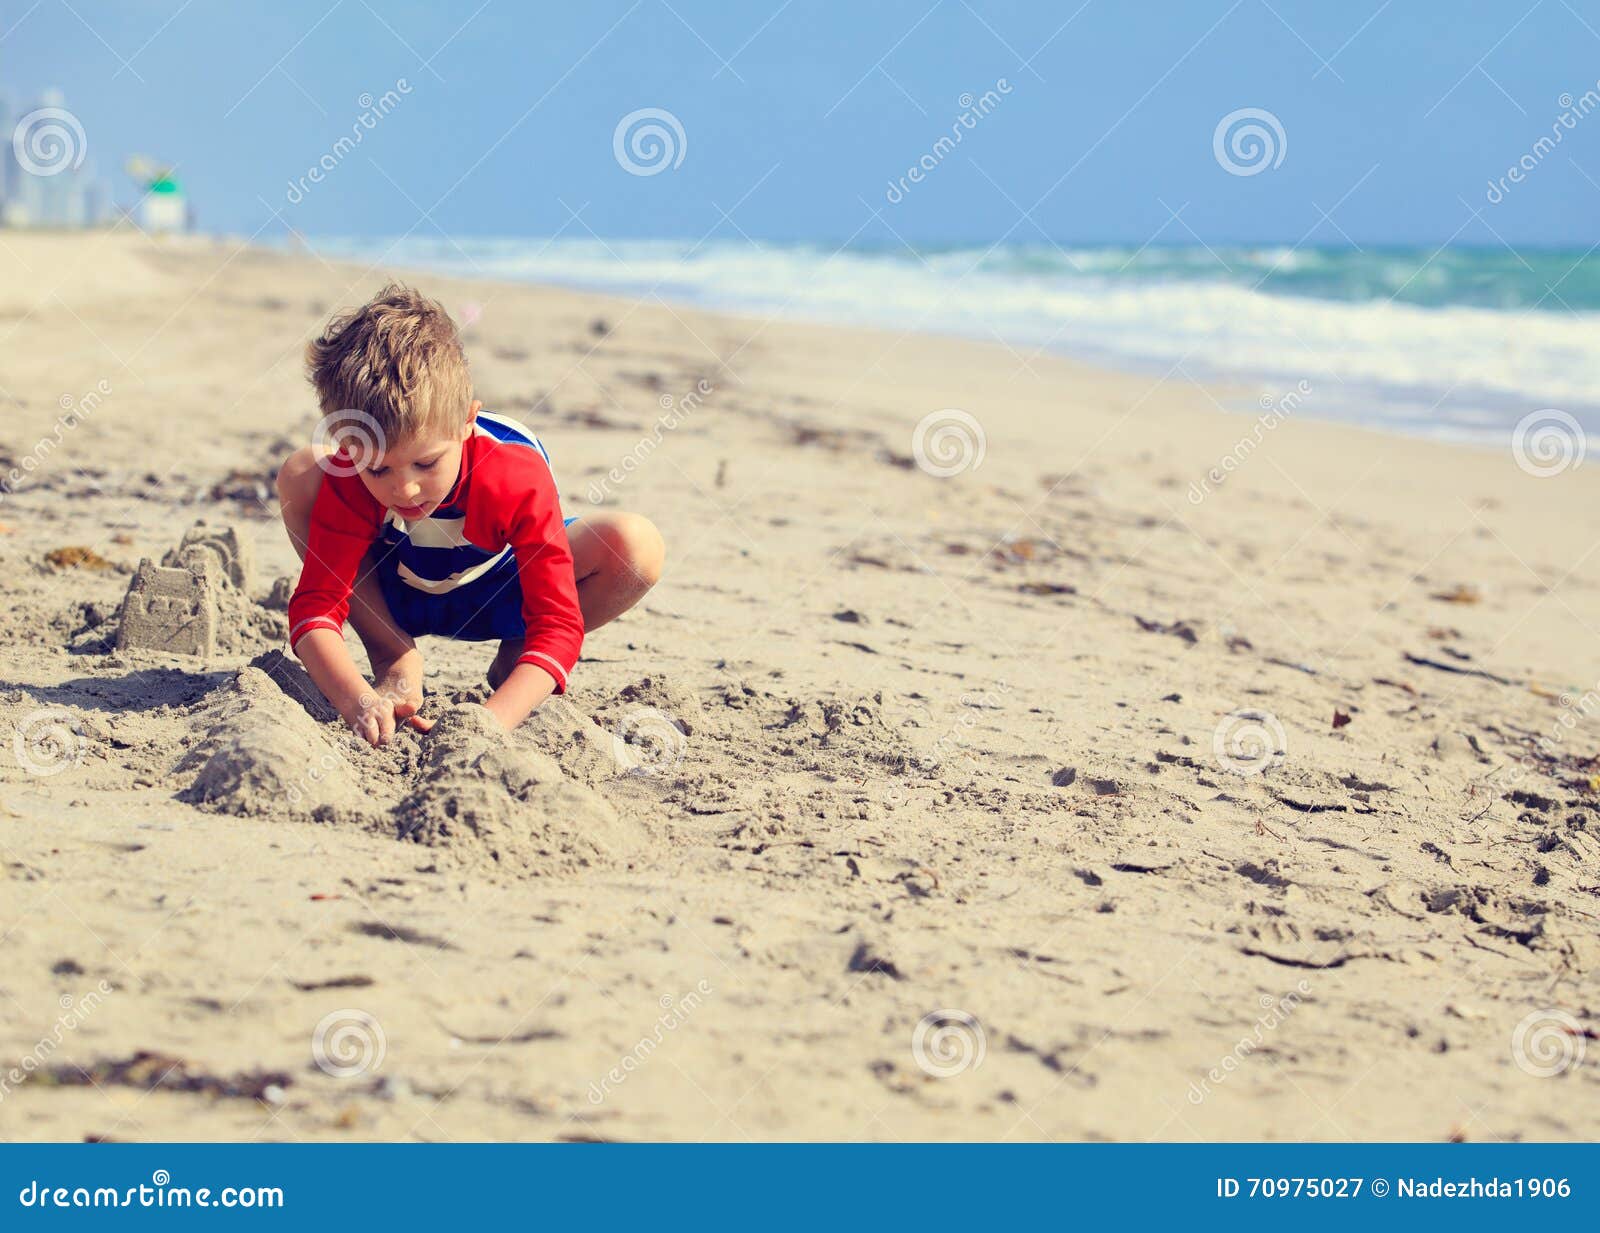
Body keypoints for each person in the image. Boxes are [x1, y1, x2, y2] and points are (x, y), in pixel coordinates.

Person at [275, 284, 664, 746]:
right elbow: (315, 608)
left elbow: (559, 625)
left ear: (466, 423)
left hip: (497, 593)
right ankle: (393, 654)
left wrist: (489, 722)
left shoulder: (512, 474)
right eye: (378, 469)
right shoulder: (349, 473)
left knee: (635, 546)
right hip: (391, 591)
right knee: (301, 472)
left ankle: (515, 660)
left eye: (426, 462)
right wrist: (357, 700)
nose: (405, 487)